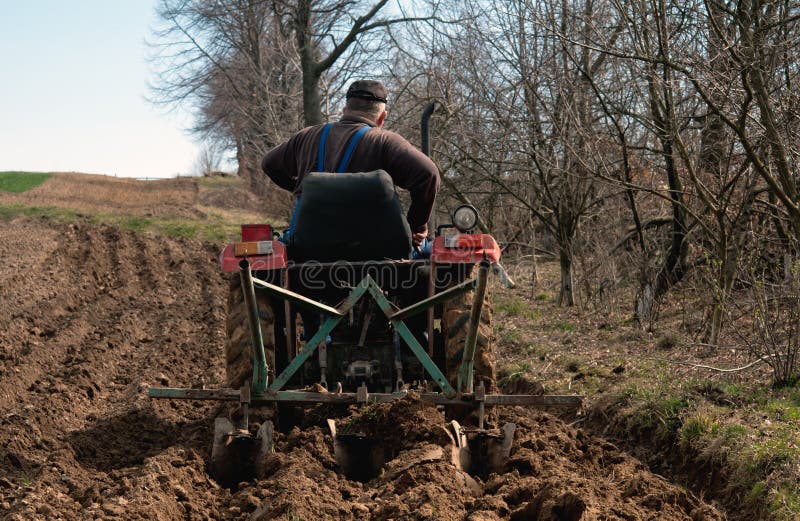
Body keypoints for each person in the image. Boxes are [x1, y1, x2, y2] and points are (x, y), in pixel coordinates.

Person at [261, 80, 439, 248]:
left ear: (345, 109)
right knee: (428, 251)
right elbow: (428, 173)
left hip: (308, 246)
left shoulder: (305, 137)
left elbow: (269, 163)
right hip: (377, 248)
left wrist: (301, 190)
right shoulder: (384, 142)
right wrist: (416, 225)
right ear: (382, 118)